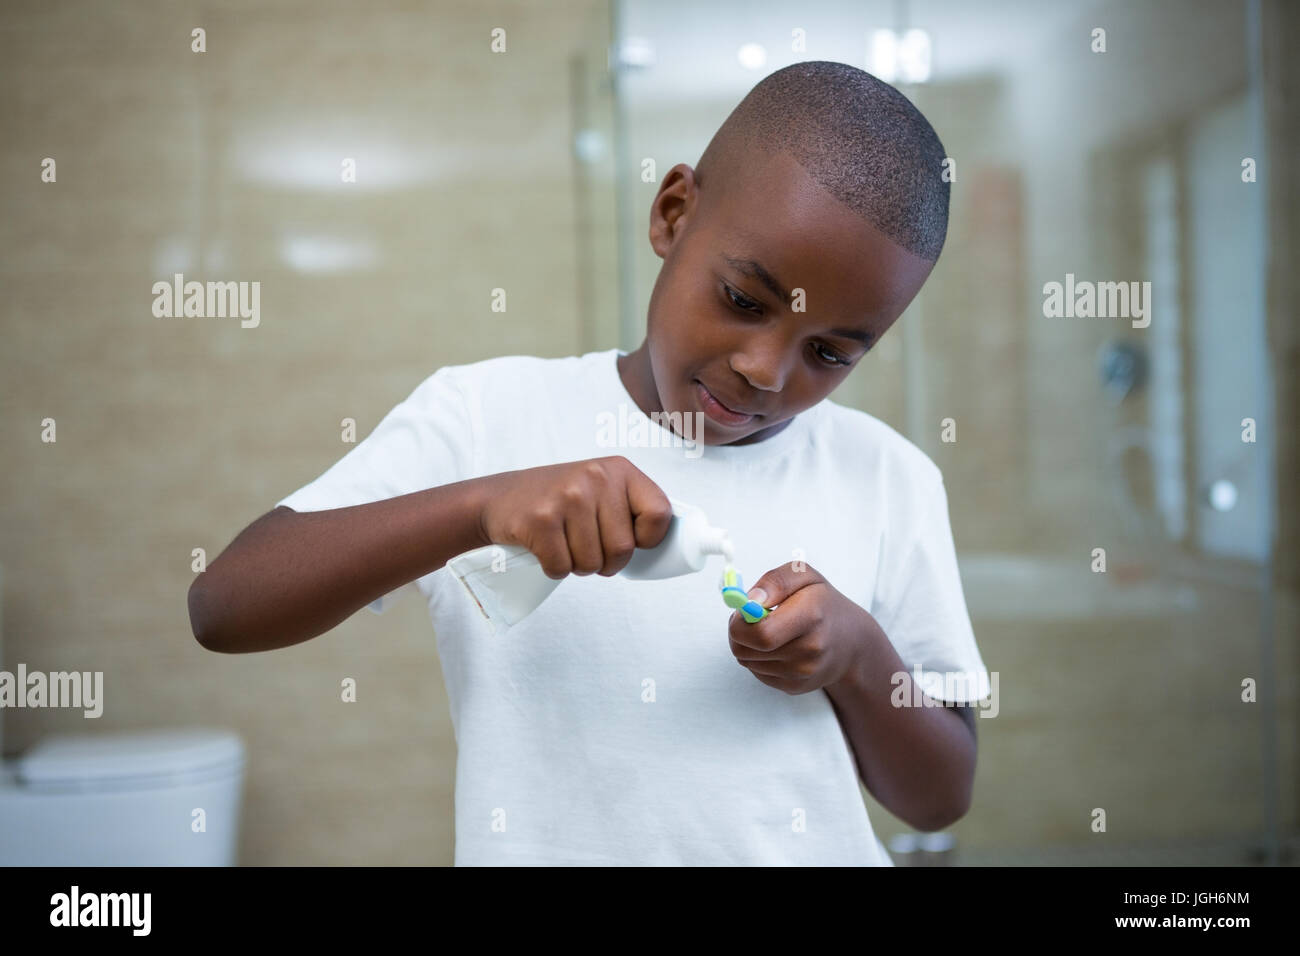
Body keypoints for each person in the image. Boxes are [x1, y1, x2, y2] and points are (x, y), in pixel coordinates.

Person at [189, 60, 990, 866]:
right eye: (745, 301)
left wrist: (856, 656)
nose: (766, 371)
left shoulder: (890, 478)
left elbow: (938, 796)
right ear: (673, 215)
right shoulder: (485, 417)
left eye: (828, 352)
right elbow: (224, 608)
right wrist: (483, 508)